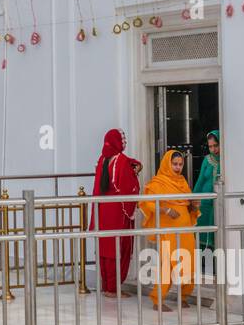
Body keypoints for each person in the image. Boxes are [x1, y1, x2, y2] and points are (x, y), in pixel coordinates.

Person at [139, 150, 199, 312]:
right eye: (175, 164)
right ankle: (158, 299)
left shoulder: (182, 181)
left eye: (180, 164)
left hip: (185, 229)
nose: (178, 167)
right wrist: (165, 210)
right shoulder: (158, 182)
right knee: (168, 264)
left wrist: (193, 205)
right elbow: (149, 203)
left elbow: (187, 201)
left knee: (189, 260)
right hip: (169, 229)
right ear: (167, 163)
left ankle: (184, 296)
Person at [89, 129, 142, 295]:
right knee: (120, 248)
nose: (125, 141)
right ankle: (113, 289)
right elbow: (129, 187)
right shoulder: (121, 161)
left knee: (106, 249)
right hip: (118, 211)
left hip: (103, 211)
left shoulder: (103, 159)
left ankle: (107, 286)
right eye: (123, 138)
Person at [193, 130, 220, 254]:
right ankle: (203, 267)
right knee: (202, 235)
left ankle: (216, 267)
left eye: (216, 145)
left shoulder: (227, 159)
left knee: (216, 235)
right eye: (210, 146)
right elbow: (200, 181)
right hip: (204, 203)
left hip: (218, 204)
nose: (213, 149)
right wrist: (193, 200)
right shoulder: (207, 160)